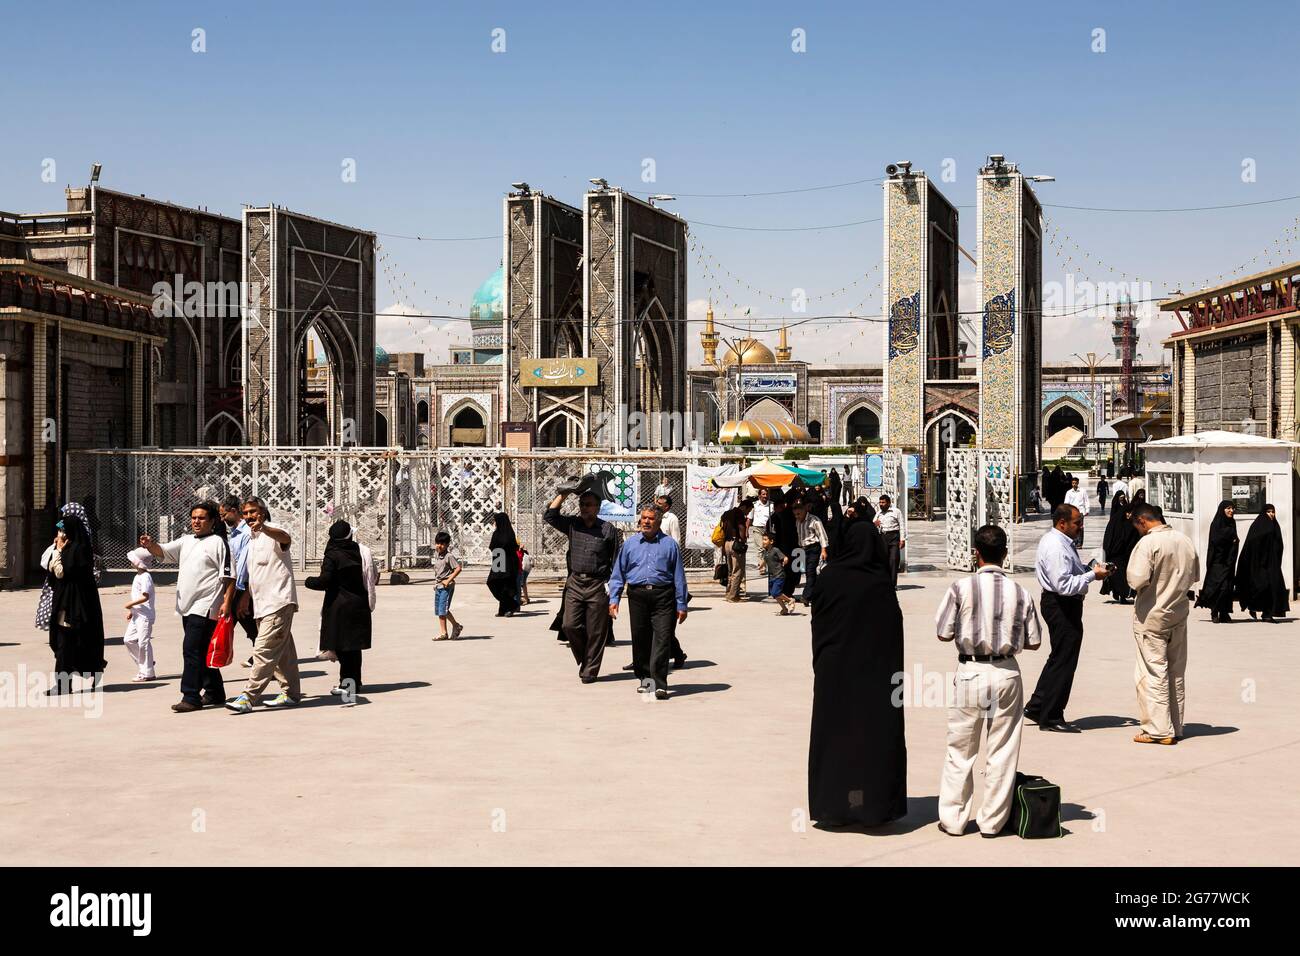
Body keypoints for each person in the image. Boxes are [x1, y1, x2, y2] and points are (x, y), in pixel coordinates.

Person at [935, 525, 1042, 835]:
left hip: (971, 671)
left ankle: (953, 820)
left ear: (975, 553)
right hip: (1007, 671)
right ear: (1005, 554)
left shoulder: (959, 588)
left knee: (960, 748)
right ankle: (992, 822)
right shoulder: (1021, 592)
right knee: (1003, 749)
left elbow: (943, 633)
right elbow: (1034, 641)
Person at [808, 519, 907, 827]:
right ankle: (873, 807)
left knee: (835, 736)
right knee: (873, 738)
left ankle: (833, 807)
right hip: (877, 678)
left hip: (834, 674)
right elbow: (893, 636)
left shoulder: (828, 579)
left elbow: (819, 625)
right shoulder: (879, 583)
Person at [1024, 504, 1111, 733]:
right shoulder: (1055, 546)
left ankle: (1038, 704)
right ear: (1062, 523)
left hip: (1064, 605)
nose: (1080, 527)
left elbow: (1069, 571)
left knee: (1059, 657)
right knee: (1064, 661)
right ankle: (1051, 716)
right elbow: (1063, 585)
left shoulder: (1061, 542)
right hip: (1060, 605)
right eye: (1076, 523)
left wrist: (1088, 569)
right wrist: (1093, 575)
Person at [140, 502, 234, 712]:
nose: (196, 521)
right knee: (201, 650)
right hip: (186, 606)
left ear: (212, 521)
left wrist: (227, 603)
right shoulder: (187, 541)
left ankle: (190, 696)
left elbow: (229, 577)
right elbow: (162, 552)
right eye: (193, 517)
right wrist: (150, 544)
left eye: (201, 518)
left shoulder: (218, 543)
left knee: (190, 649)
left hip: (206, 605)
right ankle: (215, 692)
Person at [1126, 503, 1199, 745]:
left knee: (1153, 672)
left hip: (1153, 617)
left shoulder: (1148, 543)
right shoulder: (1183, 540)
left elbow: (1136, 579)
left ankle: (1157, 730)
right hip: (1178, 614)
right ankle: (1175, 726)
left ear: (1142, 521)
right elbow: (1195, 575)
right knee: (1176, 672)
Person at [225, 497, 302, 713]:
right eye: (246, 513)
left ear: (263, 512)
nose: (249, 516)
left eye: (253, 512)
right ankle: (291, 694)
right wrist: (246, 596)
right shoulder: (252, 537)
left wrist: (265, 527)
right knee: (283, 654)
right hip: (261, 603)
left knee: (263, 650)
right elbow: (255, 573)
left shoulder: (273, 530)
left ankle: (248, 697)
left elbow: (285, 539)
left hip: (278, 601)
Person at [608, 505, 688, 699]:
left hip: (663, 596)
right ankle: (646, 681)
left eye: (651, 518)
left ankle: (660, 684)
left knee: (662, 639)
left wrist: (681, 604)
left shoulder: (670, 545)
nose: (646, 521)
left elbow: (679, 576)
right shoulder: (630, 544)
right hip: (637, 596)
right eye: (643, 518)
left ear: (658, 522)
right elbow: (618, 573)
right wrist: (614, 598)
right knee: (640, 639)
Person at [545, 486, 621, 683]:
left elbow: (616, 561)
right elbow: (550, 516)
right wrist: (565, 493)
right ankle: (586, 657)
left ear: (598, 507)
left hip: (597, 584)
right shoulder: (573, 524)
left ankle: (589, 670)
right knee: (569, 625)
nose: (584, 508)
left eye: (589, 505)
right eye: (582, 504)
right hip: (576, 582)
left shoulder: (608, 530)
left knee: (597, 631)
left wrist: (614, 591)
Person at [305, 519, 373, 703]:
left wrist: (308, 581)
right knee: (353, 648)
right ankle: (353, 683)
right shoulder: (360, 552)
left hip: (339, 607)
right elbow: (372, 575)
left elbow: (325, 581)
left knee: (343, 648)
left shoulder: (332, 555)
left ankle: (347, 686)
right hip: (358, 604)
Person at [46, 513, 107, 695]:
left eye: (62, 530)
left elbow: (61, 572)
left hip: (75, 606)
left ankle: (64, 685)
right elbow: (52, 574)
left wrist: (58, 550)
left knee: (67, 644)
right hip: (65, 603)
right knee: (68, 643)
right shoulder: (69, 547)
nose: (60, 533)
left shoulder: (78, 549)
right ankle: (87, 674)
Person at [219, 495, 257, 665]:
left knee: (249, 625)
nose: (222, 519)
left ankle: (267, 662)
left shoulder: (246, 533)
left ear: (234, 511)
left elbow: (246, 565)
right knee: (235, 624)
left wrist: (243, 592)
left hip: (242, 587)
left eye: (224, 515)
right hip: (235, 587)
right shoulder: (234, 533)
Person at [1235, 504, 1289, 622]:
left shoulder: (1275, 526)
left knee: (1273, 587)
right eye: (1268, 511)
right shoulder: (1258, 526)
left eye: (1273, 512)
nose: (1271, 514)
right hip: (1258, 564)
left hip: (1272, 563)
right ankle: (1253, 607)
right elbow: (1251, 544)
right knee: (1260, 587)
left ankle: (1267, 614)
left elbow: (1279, 544)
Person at [1195, 500, 1239, 623]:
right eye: (1228, 508)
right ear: (1222, 510)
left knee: (1228, 587)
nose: (1231, 511)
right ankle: (1214, 611)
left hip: (1229, 560)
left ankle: (1224, 612)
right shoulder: (1216, 524)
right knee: (1219, 586)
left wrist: (1234, 542)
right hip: (1217, 561)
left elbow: (1235, 539)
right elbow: (1216, 541)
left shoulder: (1232, 523)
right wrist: (1231, 540)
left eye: (1232, 508)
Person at [122, 547, 157, 681]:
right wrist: (132, 611)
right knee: (128, 640)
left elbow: (145, 596)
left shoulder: (145, 577)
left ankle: (148, 673)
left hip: (145, 616)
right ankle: (147, 663)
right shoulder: (138, 576)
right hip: (138, 614)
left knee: (143, 642)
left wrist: (130, 604)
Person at [1100, 491, 1139, 604]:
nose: (1129, 515)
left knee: (1125, 577)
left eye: (1131, 513)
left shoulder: (1132, 525)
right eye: (1128, 513)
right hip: (1116, 555)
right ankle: (1121, 595)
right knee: (1118, 577)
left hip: (1127, 556)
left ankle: (1124, 595)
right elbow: (1109, 538)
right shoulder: (1116, 522)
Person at [793, 498, 829, 606]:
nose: (797, 516)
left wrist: (823, 550)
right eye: (795, 514)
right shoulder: (797, 522)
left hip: (814, 548)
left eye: (799, 514)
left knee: (811, 571)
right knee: (808, 574)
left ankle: (806, 596)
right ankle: (813, 595)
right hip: (804, 549)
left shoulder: (814, 520)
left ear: (804, 510)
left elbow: (822, 535)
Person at [430, 530, 464, 640]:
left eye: (442, 544)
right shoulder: (437, 555)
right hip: (439, 586)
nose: (439, 546)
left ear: (447, 545)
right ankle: (449, 630)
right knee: (440, 610)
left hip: (446, 587)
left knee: (443, 609)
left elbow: (458, 569)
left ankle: (452, 628)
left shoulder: (449, 556)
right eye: (437, 543)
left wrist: (448, 580)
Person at [486, 512, 521, 617]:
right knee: (493, 583)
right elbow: (492, 546)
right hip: (498, 561)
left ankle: (506, 609)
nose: (495, 523)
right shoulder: (496, 533)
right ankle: (512, 604)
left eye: (496, 520)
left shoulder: (509, 533)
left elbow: (513, 547)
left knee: (506, 585)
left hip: (509, 563)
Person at [721, 497, 753, 603]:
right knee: (738, 570)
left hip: (726, 543)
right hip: (736, 543)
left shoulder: (726, 513)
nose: (747, 513)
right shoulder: (739, 513)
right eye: (748, 510)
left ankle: (729, 592)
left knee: (730, 571)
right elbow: (741, 528)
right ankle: (733, 596)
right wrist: (743, 541)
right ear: (744, 507)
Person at [759, 529, 796, 615]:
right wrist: (761, 566)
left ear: (771, 541)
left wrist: (785, 560)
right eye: (763, 539)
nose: (763, 541)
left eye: (765, 539)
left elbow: (785, 557)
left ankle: (790, 600)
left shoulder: (775, 550)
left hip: (779, 575)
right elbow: (765, 560)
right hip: (772, 576)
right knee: (774, 594)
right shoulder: (765, 552)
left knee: (776, 592)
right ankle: (784, 609)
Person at [874, 494, 904, 586]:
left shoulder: (896, 512)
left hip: (894, 537)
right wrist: (875, 524)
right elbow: (873, 524)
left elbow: (902, 526)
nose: (881, 504)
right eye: (880, 502)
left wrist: (902, 539)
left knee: (894, 560)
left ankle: (893, 584)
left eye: (883, 502)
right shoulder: (878, 513)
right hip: (883, 537)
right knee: (884, 561)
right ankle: (885, 583)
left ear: (888, 503)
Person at [1063, 476, 1090, 549]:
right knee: (1073, 527)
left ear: (1078, 483)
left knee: (1080, 528)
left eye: (1075, 483)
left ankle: (1080, 543)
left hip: (1080, 511)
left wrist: (1087, 510)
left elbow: (1086, 500)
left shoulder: (1082, 491)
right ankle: (1074, 542)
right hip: (1072, 513)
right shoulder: (1069, 492)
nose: (1074, 484)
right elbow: (1066, 503)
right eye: (1073, 483)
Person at [748, 487, 772, 565]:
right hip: (757, 529)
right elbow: (749, 518)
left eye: (766, 494)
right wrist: (746, 531)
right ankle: (762, 567)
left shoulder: (772, 505)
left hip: (768, 529)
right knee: (761, 548)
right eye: (763, 494)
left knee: (768, 548)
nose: (765, 496)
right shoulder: (754, 505)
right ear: (759, 496)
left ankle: (767, 565)